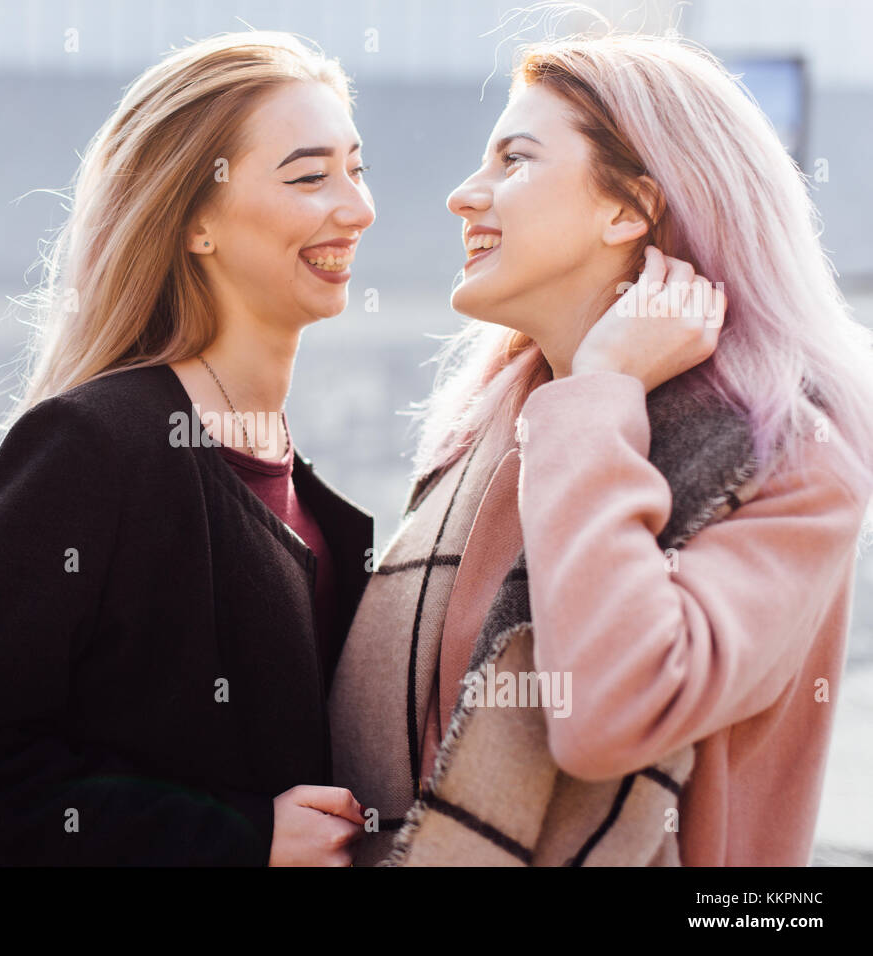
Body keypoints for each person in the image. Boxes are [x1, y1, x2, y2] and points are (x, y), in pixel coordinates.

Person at [330, 29, 873, 866]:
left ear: (630, 208)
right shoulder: (498, 425)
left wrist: (604, 387)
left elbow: (610, 711)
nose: (461, 196)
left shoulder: (788, 458)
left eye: (514, 161)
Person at [0, 31, 377, 866]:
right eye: (308, 176)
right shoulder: (96, 443)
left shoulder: (282, 459)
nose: (358, 207)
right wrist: (240, 836)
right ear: (195, 223)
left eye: (356, 168)